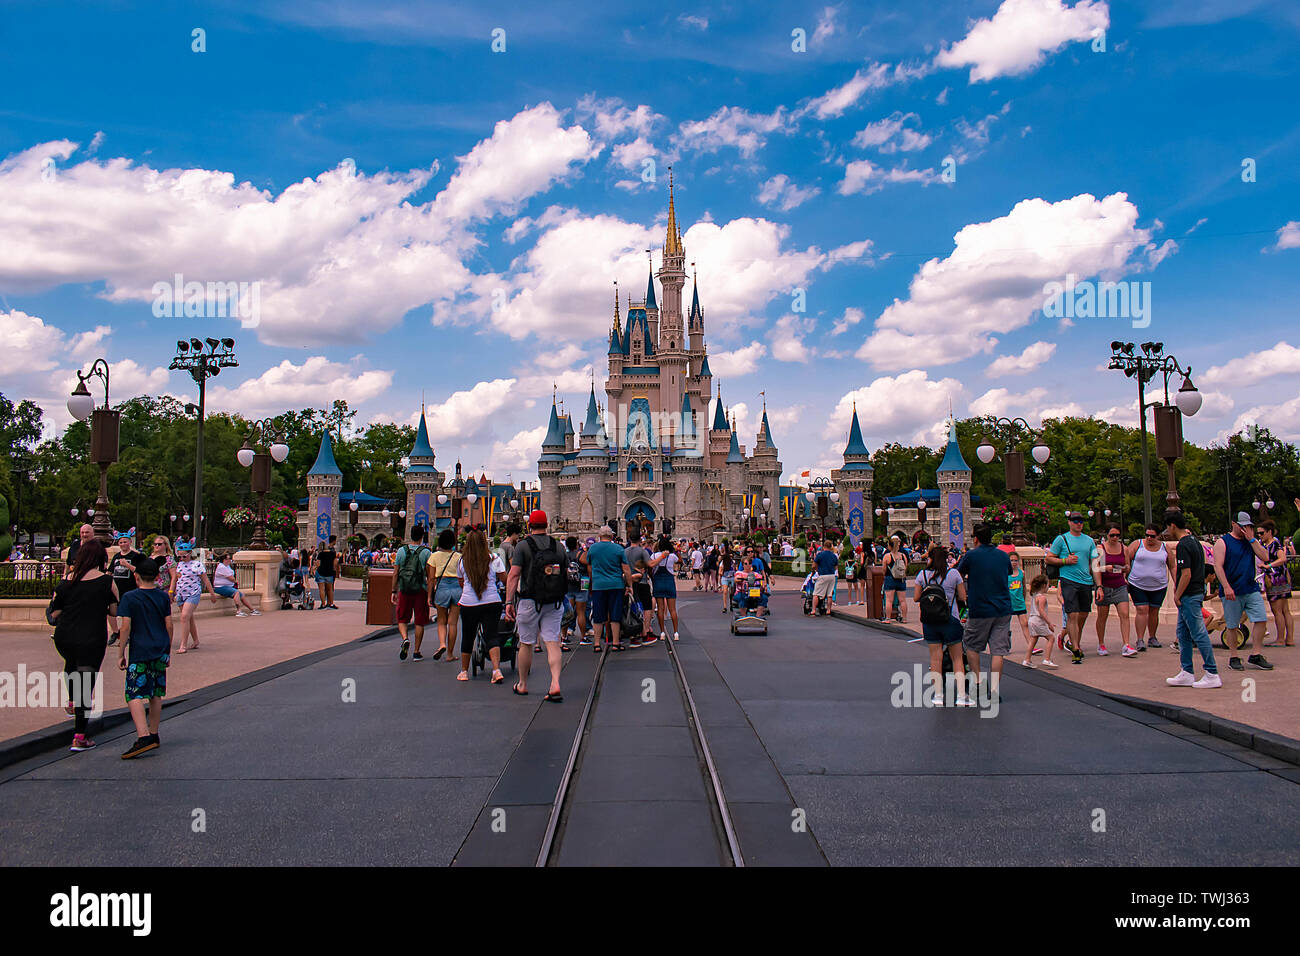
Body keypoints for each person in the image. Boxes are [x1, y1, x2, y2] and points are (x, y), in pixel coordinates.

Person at [49, 538, 118, 752]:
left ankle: (71, 700)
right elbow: (115, 611)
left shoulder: (67, 580)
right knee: (85, 685)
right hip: (91, 638)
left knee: (71, 664)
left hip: (65, 636)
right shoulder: (106, 581)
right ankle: (80, 736)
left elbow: (54, 612)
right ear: (101, 558)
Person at [503, 511, 568, 699]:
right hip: (554, 602)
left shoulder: (523, 546)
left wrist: (509, 601)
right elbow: (565, 571)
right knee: (553, 642)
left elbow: (514, 575)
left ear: (529, 526)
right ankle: (555, 683)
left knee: (526, 643)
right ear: (547, 525)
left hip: (530, 601)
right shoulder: (558, 546)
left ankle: (522, 684)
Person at [116, 556, 174, 759]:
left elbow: (125, 627)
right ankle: (154, 732)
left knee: (133, 693)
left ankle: (143, 736)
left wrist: (121, 651)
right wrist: (167, 648)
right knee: (155, 692)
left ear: (136, 576)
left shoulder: (130, 598)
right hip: (159, 648)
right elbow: (169, 624)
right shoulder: (163, 597)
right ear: (158, 576)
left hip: (140, 651)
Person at [956, 524, 1013, 699]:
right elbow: (1009, 573)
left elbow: (958, 574)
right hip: (1003, 608)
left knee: (972, 646)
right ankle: (995, 691)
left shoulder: (971, 556)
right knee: (998, 651)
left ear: (976, 538)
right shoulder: (1003, 556)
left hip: (980, 608)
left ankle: (979, 682)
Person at [1164, 510, 1220, 687]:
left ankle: (1211, 673)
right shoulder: (1195, 542)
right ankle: (1187, 671)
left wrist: (1177, 594)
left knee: (1197, 632)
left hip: (1188, 594)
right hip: (1195, 592)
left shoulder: (1182, 546)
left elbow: (1186, 574)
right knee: (1183, 633)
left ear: (1172, 525)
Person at [1213, 513, 1275, 672]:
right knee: (1232, 625)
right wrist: (1226, 586)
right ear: (1234, 523)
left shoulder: (1250, 542)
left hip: (1250, 588)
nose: (1245, 529)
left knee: (1261, 619)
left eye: (1248, 526)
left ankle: (1256, 654)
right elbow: (1218, 566)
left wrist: (1252, 539)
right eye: (1242, 526)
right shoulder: (1223, 542)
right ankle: (1233, 656)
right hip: (1232, 590)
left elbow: (1265, 556)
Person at [914, 545, 971, 705]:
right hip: (950, 619)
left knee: (935, 659)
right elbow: (962, 596)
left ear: (931, 558)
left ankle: (938, 695)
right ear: (946, 558)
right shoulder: (953, 574)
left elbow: (916, 597)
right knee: (957, 658)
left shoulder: (923, 575)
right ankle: (961, 695)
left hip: (930, 621)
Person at [1046, 512, 1103, 664]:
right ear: (1069, 522)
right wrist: (1065, 561)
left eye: (1081, 521)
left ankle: (1072, 640)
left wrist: (1099, 586)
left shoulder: (1089, 541)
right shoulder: (1061, 539)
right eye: (1075, 521)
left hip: (1086, 581)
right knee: (1073, 615)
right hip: (1068, 580)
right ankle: (1076, 649)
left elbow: (1095, 563)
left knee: (1083, 614)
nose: (1079, 523)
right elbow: (1049, 557)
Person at [453, 529, 506, 684]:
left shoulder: (462, 561)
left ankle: (464, 671)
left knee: (468, 635)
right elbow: (504, 578)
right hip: (491, 601)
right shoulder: (493, 558)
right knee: (492, 635)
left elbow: (461, 582)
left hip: (469, 603)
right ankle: (496, 670)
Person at [1125, 523, 1175, 651]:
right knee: (1142, 609)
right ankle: (1140, 639)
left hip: (1159, 585)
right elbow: (1126, 560)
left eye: (1152, 536)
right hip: (1137, 584)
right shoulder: (1137, 545)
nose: (1149, 538)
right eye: (1147, 535)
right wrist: (1124, 577)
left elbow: (1172, 566)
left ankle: (1152, 637)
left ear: (1158, 536)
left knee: (1154, 611)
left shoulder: (1165, 548)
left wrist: (1177, 583)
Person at [584, 526, 631, 652]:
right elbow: (626, 569)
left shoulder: (593, 548)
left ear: (599, 536)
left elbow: (589, 567)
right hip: (616, 585)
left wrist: (592, 581)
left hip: (598, 586)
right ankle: (615, 643)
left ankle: (597, 644)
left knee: (598, 615)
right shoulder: (618, 548)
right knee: (615, 614)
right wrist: (629, 585)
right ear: (611, 536)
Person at [392, 525, 433, 661]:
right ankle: (416, 651)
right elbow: (429, 575)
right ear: (422, 537)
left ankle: (405, 638)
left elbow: (396, 573)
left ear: (410, 535)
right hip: (420, 589)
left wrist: (394, 590)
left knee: (402, 618)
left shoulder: (401, 551)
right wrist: (430, 594)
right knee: (419, 621)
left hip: (404, 588)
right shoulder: (426, 552)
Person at [1095, 524, 1134, 656]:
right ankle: (1101, 644)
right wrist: (1106, 568)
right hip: (1105, 584)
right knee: (1102, 616)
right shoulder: (1100, 549)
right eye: (1112, 535)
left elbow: (1127, 565)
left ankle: (1126, 644)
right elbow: (1095, 568)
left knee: (1124, 614)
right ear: (1107, 535)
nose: (1115, 538)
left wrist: (1125, 571)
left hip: (1119, 584)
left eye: (1118, 535)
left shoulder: (1124, 548)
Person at [171, 541, 217, 652]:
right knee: (189, 618)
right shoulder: (180, 565)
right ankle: (196, 640)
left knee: (184, 617)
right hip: (181, 594)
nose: (182, 558)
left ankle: (183, 645)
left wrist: (212, 593)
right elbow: (177, 579)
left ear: (190, 553)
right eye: (180, 556)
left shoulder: (197, 565)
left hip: (193, 593)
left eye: (184, 556)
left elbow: (205, 579)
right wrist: (172, 592)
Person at [427, 529, 463, 660]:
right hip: (457, 589)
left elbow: (431, 579)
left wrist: (429, 596)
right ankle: (450, 654)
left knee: (441, 621)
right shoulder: (459, 557)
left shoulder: (434, 556)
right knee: (452, 623)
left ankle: (442, 644)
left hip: (442, 588)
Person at [1259, 520, 1294, 648]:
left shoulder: (1273, 544)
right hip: (1282, 577)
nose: (1260, 536)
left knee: (1278, 610)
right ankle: (1288, 638)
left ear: (1269, 532)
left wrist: (1267, 566)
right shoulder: (1273, 543)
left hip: (1275, 579)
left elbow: (1283, 558)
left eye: (1262, 533)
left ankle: (1280, 639)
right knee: (1285, 610)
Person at [107, 530, 144, 646]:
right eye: (121, 542)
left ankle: (126, 635)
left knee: (126, 614)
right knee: (110, 611)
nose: (123, 544)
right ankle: (115, 632)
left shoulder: (135, 556)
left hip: (130, 589)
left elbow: (140, 571)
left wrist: (127, 565)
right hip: (117, 588)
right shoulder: (116, 557)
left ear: (130, 542)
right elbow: (110, 571)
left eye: (125, 542)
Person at [623, 530, 658, 648]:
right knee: (647, 607)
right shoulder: (642, 551)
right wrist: (663, 556)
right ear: (640, 539)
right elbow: (651, 564)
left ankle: (633, 636)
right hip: (642, 582)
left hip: (629, 583)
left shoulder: (624, 551)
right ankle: (645, 633)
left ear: (629, 538)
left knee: (633, 607)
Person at [1022, 574, 1059, 668]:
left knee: (1033, 639)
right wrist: (1049, 623)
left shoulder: (1034, 596)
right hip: (1038, 621)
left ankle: (1027, 659)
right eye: (1048, 585)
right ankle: (1047, 659)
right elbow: (1041, 611)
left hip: (1032, 620)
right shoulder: (1042, 597)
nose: (1048, 587)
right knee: (1051, 638)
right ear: (1043, 585)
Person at [649, 535, 680, 641]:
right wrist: (674, 549)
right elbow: (679, 560)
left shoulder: (654, 556)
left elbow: (650, 567)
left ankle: (662, 632)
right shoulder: (672, 556)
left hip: (658, 583)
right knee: (672, 609)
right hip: (669, 582)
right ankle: (676, 632)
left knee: (661, 609)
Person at [564, 536, 593, 645]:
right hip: (582, 584)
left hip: (568, 585)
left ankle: (564, 636)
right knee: (581, 612)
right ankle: (583, 637)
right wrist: (591, 583)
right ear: (577, 544)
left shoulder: (565, 556)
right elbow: (589, 569)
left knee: (568, 612)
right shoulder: (581, 555)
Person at [213, 552, 259, 616]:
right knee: (236, 592)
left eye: (230, 559)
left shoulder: (227, 566)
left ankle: (252, 610)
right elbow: (231, 578)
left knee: (241, 595)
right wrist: (235, 581)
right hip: (220, 587)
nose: (230, 560)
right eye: (228, 559)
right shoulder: (222, 567)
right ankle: (239, 611)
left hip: (228, 587)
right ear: (224, 560)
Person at [882, 536, 909, 622]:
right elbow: (906, 567)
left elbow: (884, 569)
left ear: (890, 545)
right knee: (903, 600)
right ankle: (904, 618)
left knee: (889, 600)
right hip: (901, 579)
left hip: (890, 578)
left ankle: (888, 618)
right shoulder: (903, 556)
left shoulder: (887, 556)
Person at [1007, 551, 1029, 649]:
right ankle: (1006, 645)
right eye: (1011, 560)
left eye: (1015, 560)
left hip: (1019, 603)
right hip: (1008, 603)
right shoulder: (1005, 573)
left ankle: (1030, 645)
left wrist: (1024, 599)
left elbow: (1024, 588)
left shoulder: (1021, 573)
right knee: (1005, 626)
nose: (1014, 562)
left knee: (1025, 623)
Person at [313, 535, 339, 609]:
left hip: (321, 572)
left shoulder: (321, 554)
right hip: (329, 572)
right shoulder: (332, 553)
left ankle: (323, 604)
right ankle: (330, 603)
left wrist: (315, 568)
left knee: (322, 589)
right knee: (330, 589)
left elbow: (318, 564)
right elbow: (335, 563)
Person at [812, 540, 837, 615]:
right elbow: (836, 567)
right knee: (829, 594)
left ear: (824, 546)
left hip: (823, 575)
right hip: (832, 576)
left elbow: (814, 565)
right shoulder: (834, 555)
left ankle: (813, 610)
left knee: (816, 593)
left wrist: (816, 570)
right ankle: (828, 610)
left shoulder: (820, 554)